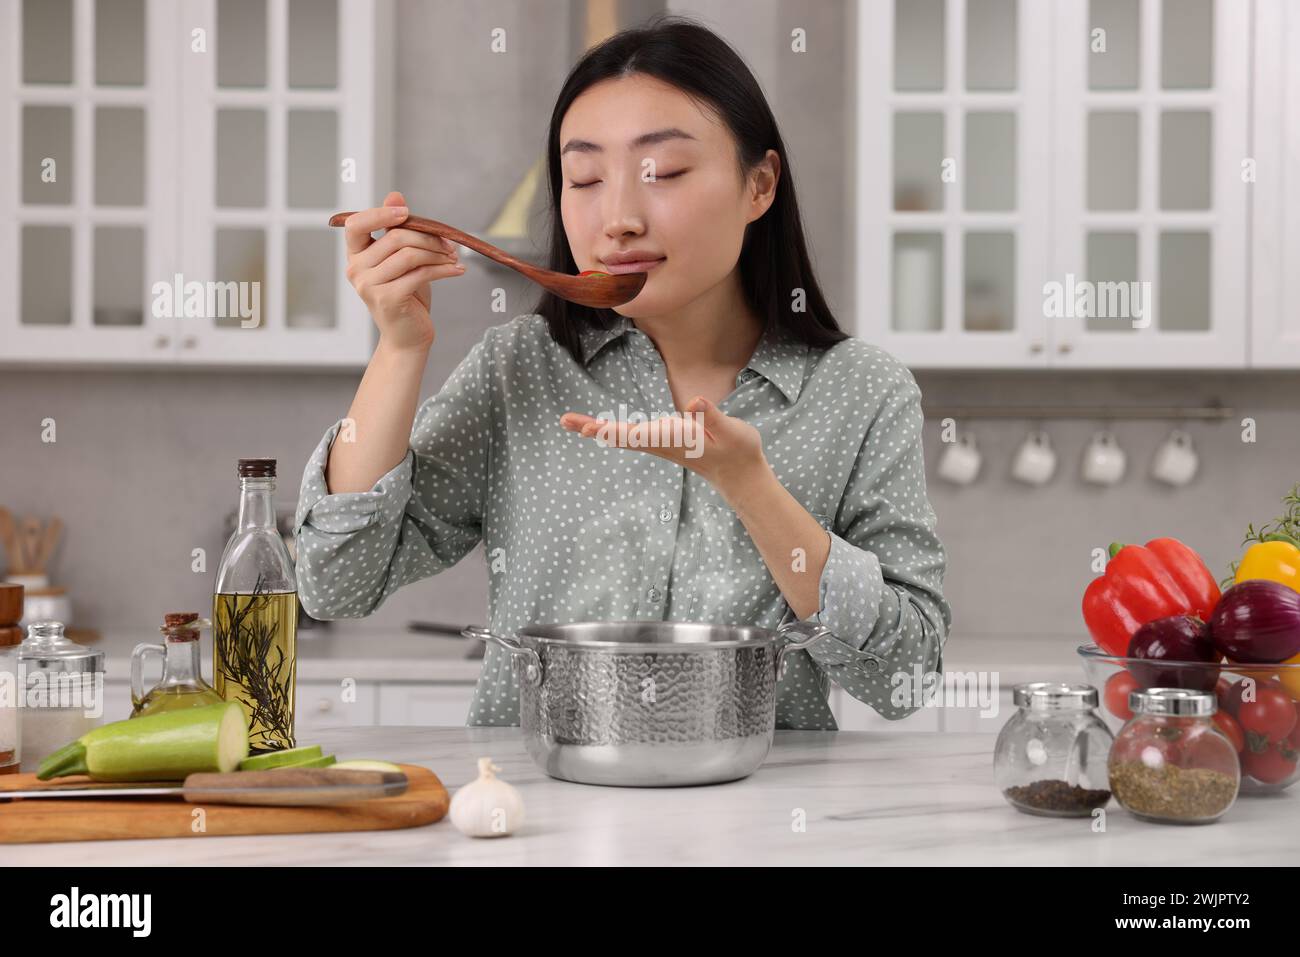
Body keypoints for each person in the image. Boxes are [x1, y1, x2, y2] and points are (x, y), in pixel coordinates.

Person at [293, 15, 951, 729]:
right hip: (542, 823)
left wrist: (750, 486)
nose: (618, 218)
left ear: (759, 184)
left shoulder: (861, 391)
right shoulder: (518, 370)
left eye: (663, 173)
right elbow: (335, 580)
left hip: (758, 829)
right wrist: (398, 347)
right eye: (584, 177)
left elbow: (907, 679)